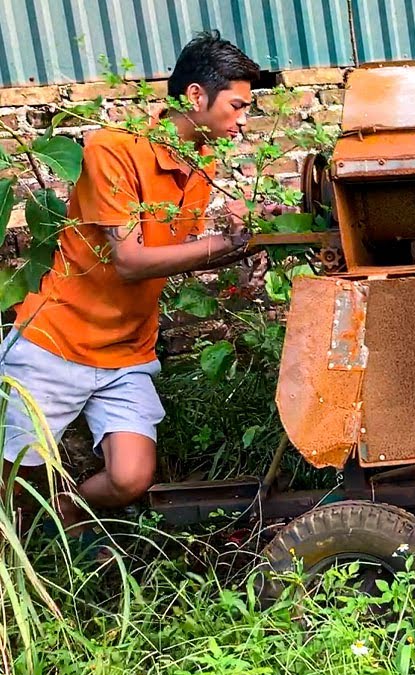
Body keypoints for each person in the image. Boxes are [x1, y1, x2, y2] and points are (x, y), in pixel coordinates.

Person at [1, 31, 264, 529]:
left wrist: (242, 237)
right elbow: (128, 259)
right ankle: (26, 567)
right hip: (57, 340)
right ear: (195, 96)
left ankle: (65, 522)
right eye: (236, 106)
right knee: (14, 477)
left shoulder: (199, 161)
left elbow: (173, 251)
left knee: (130, 477)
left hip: (127, 349)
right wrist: (222, 246)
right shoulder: (113, 150)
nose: (244, 120)